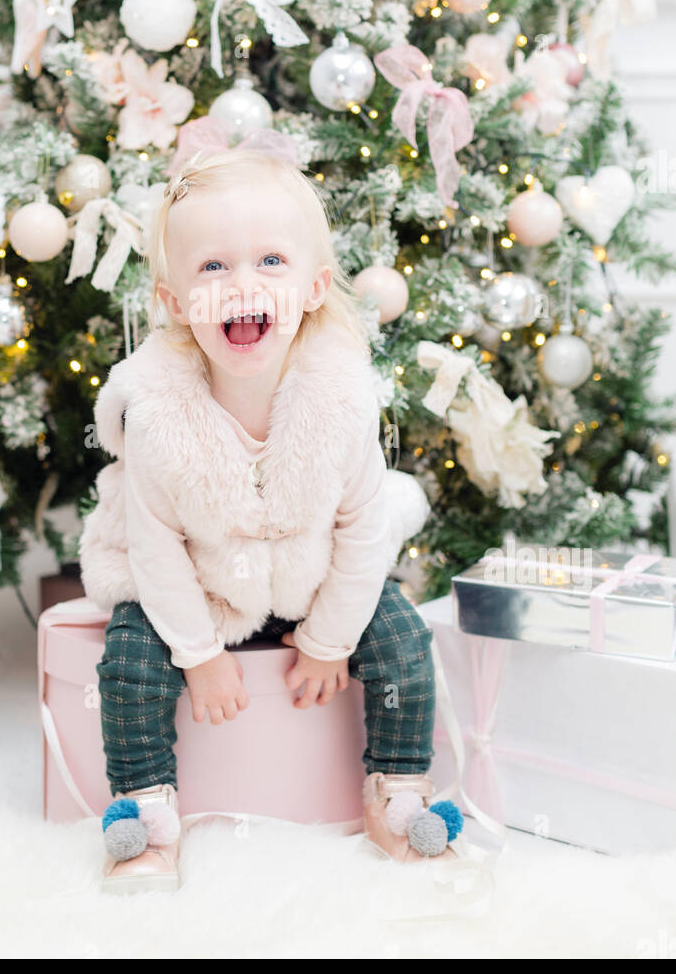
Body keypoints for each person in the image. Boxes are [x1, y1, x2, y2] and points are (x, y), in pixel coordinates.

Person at [79, 144, 461, 894]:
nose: (241, 286)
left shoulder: (342, 401)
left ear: (316, 288)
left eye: (271, 263)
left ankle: (396, 790)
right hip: (199, 585)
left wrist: (328, 641)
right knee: (128, 660)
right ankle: (148, 817)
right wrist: (197, 654)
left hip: (310, 579)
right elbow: (154, 548)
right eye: (212, 268)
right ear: (173, 301)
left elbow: (361, 535)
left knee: (404, 640)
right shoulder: (160, 414)